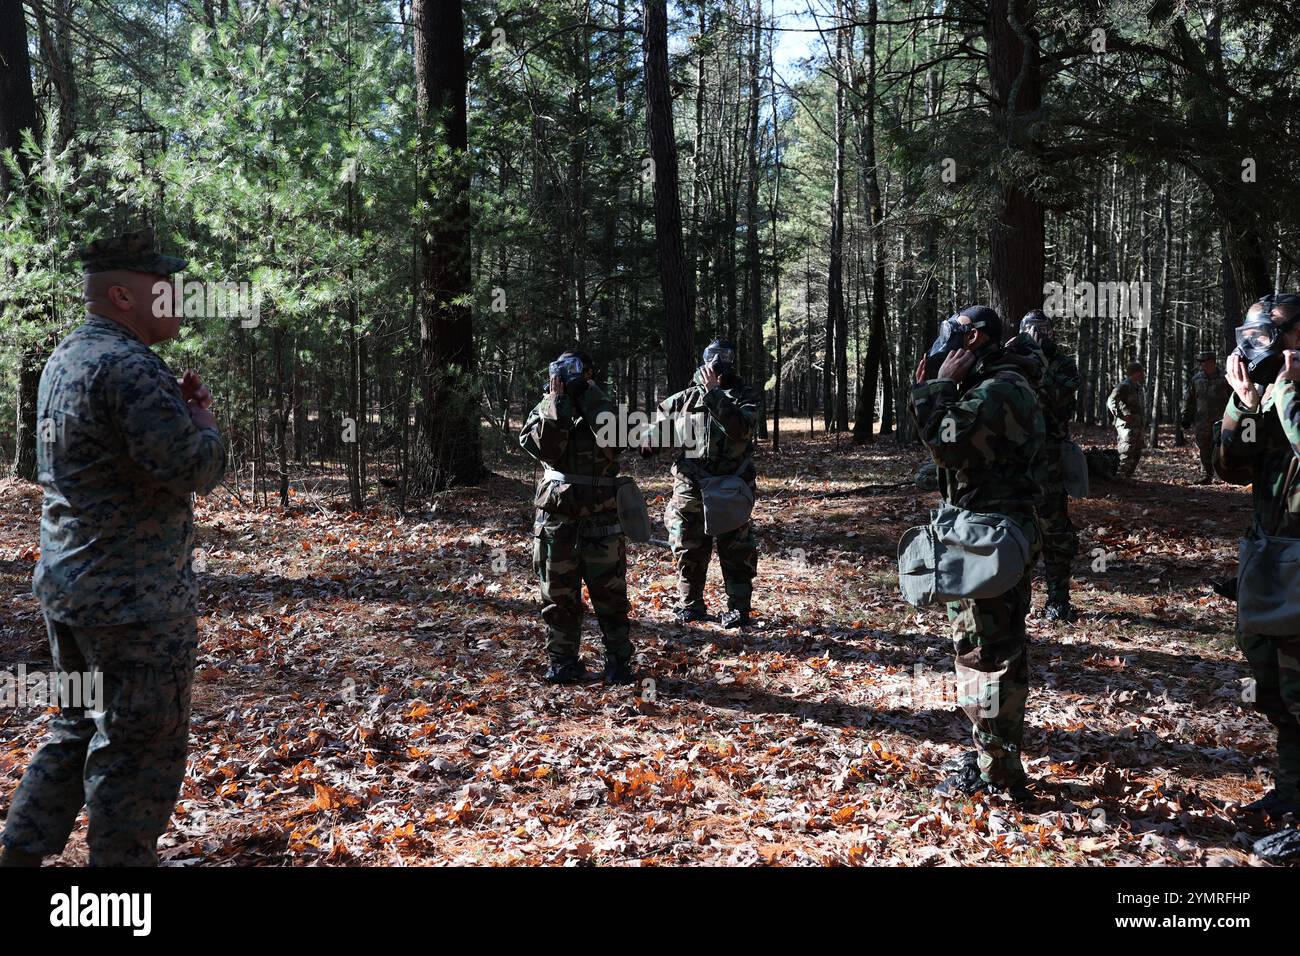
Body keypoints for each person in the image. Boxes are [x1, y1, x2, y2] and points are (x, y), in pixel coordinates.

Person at [0, 229, 226, 867]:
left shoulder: (68, 356)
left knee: (75, 725)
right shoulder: (127, 364)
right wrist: (204, 426)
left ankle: (19, 853)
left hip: (72, 586)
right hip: (134, 601)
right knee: (137, 748)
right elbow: (189, 466)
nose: (181, 296)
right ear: (124, 294)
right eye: (166, 286)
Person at [911, 306, 1046, 798]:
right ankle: (990, 750)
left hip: (989, 534)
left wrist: (940, 387)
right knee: (989, 646)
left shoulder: (999, 389)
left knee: (988, 653)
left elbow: (944, 442)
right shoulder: (996, 383)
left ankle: (997, 772)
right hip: (983, 528)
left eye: (955, 337)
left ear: (976, 341)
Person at [1216, 293, 1300, 822]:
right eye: (1250, 337)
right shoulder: (1269, 394)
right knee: (1275, 690)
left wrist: (1288, 391)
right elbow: (1232, 467)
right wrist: (1245, 405)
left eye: (1270, 335)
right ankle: (1291, 791)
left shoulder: (1290, 393)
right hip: (1271, 559)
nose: (1257, 348)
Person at [519, 350, 635, 685]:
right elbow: (546, 449)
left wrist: (591, 397)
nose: (568, 378)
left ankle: (619, 663)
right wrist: (557, 406)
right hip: (557, 521)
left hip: (601, 519)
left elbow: (618, 441)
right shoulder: (545, 409)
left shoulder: (606, 409)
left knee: (611, 596)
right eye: (562, 372)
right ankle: (563, 662)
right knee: (558, 596)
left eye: (576, 372)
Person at [645, 340, 759, 629]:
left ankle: (738, 609)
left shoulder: (744, 397)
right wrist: (650, 437)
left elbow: (740, 429)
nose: (718, 363)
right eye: (712, 358)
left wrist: (713, 394)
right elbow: (651, 438)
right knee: (688, 546)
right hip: (690, 485)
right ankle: (690, 604)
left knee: (736, 549)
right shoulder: (683, 399)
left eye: (724, 358)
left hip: (730, 485)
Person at [1018, 310, 1081, 621]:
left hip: (1050, 459)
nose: (1042, 335)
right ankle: (1018, 598)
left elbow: (1059, 399)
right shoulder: (1013, 357)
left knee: (1055, 532)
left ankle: (1059, 601)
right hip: (1017, 459)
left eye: (1046, 330)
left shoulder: (1062, 364)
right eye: (1034, 330)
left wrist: (1039, 363)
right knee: (1018, 531)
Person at [1181, 350, 1231, 484]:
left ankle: (1223, 475)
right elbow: (1189, 399)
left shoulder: (1225, 378)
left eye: (1203, 362)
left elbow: (1233, 397)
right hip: (1202, 421)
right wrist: (1186, 416)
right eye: (1200, 362)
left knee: (1221, 448)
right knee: (1204, 448)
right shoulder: (1196, 379)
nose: (1201, 365)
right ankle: (1206, 475)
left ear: (1211, 362)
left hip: (1221, 420)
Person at [1107, 361, 1147, 478]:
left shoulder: (1137, 387)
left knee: (1137, 452)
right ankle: (1120, 479)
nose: (1143, 375)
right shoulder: (1124, 386)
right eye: (1141, 372)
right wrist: (1122, 415)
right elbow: (1111, 401)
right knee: (1126, 451)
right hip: (1126, 426)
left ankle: (1127, 477)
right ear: (1135, 373)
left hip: (1137, 425)